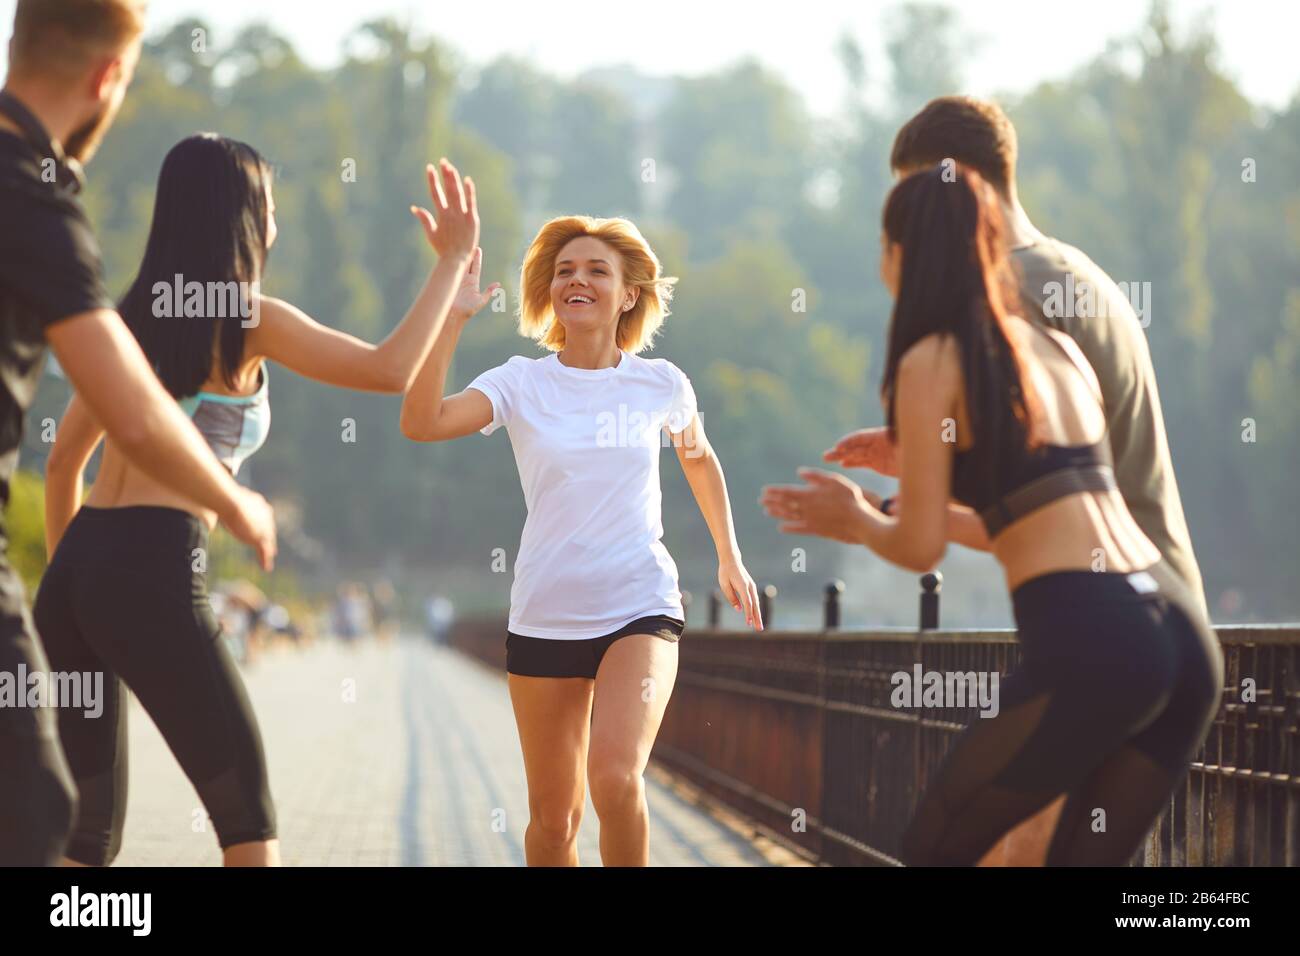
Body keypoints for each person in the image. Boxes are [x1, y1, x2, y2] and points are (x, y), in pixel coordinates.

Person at [36, 135, 481, 867]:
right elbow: (389, 369)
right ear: (245, 218)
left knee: (85, 843)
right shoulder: (248, 319)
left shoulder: (125, 322)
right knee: (249, 829)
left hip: (76, 571)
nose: (275, 221)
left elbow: (61, 466)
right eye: (269, 205)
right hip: (154, 563)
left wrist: (84, 602)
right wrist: (451, 260)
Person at [761, 164, 1223, 866]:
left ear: (901, 254)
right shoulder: (1057, 351)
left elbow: (917, 551)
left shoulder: (933, 358)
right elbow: (1027, 525)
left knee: (935, 843)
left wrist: (854, 519)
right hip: (1179, 634)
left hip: (1097, 638)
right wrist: (898, 497)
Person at [0, 0, 276, 866]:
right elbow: (128, 406)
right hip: (143, 560)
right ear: (108, 78)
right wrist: (231, 500)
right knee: (41, 819)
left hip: (83, 567)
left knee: (62, 825)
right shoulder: (38, 206)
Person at [400, 215, 762, 866]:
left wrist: (728, 555)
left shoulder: (661, 384)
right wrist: (451, 319)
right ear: (550, 291)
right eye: (565, 270)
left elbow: (699, 458)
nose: (578, 279)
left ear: (629, 294)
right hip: (546, 615)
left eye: (597, 270)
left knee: (617, 779)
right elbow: (421, 422)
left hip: (640, 606)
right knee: (552, 825)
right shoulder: (520, 381)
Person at [826, 95, 1207, 621]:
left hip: (1110, 612)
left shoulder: (1009, 297)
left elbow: (1036, 511)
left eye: (919, 199)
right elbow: (1047, 480)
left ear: (959, 181)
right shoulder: (1080, 272)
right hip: (1166, 601)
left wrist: (881, 511)